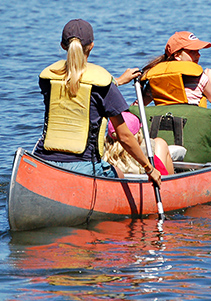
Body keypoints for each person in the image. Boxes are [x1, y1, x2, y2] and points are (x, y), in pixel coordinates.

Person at [32, 19, 161, 187]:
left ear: (63, 46)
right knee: (118, 173)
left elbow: (77, 86)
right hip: (85, 167)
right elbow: (124, 136)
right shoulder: (102, 83)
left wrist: (118, 82)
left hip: (44, 161)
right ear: (91, 46)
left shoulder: (47, 78)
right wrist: (149, 168)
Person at [141, 31, 211, 155]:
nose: (198, 55)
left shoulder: (154, 80)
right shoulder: (200, 78)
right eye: (192, 52)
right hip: (196, 141)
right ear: (177, 55)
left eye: (198, 51)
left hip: (166, 140)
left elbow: (137, 106)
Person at [103, 111, 175, 176]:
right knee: (160, 143)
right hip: (149, 184)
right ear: (139, 134)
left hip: (115, 184)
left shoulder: (103, 158)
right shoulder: (150, 155)